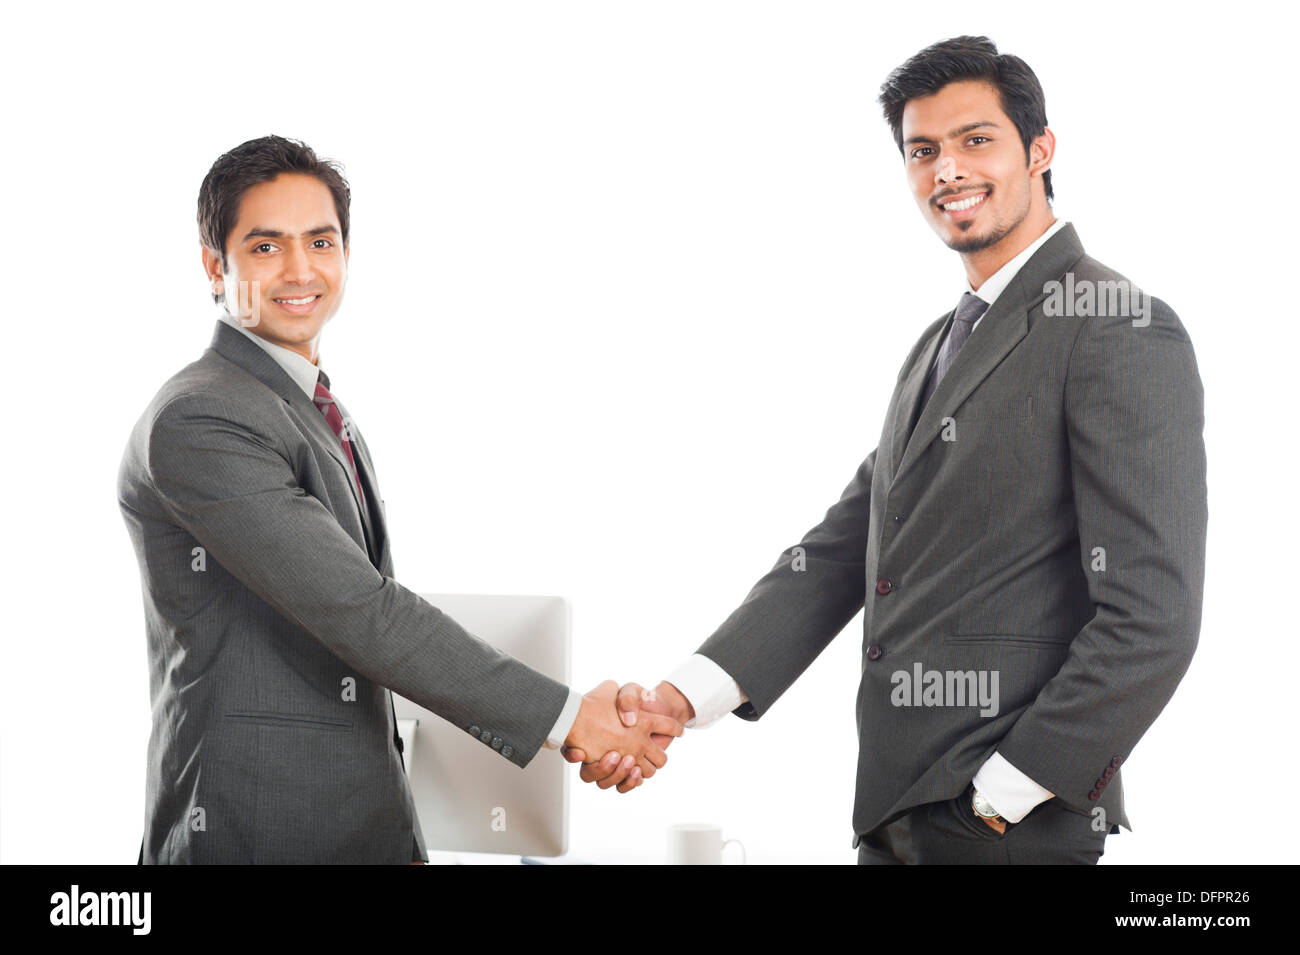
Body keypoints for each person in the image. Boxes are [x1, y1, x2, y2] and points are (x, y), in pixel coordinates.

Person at [566, 36, 1208, 864]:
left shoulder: (1117, 326)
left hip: (1005, 827)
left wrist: (1008, 790)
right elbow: (843, 549)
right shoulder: (940, 343)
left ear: (1040, 149)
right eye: (923, 151)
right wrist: (682, 698)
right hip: (897, 811)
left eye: (976, 140)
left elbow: (1154, 615)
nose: (946, 170)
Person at [117, 135, 680, 864]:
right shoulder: (201, 418)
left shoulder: (310, 405)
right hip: (255, 830)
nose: (300, 269)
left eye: (320, 240)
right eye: (265, 247)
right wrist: (575, 718)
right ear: (213, 265)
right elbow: (362, 611)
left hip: (366, 824)